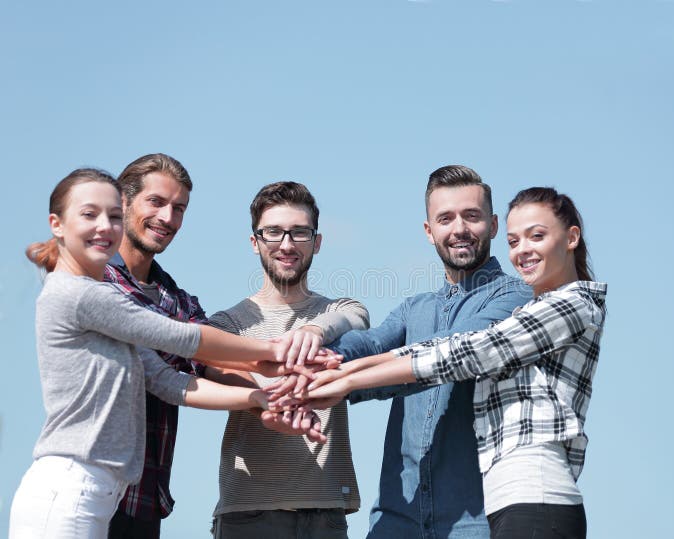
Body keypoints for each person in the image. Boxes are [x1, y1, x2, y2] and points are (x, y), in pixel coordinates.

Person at [9, 169, 329, 539]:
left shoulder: (154, 299)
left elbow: (167, 380)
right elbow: (182, 338)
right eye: (89, 214)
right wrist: (276, 352)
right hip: (70, 488)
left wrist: (260, 395)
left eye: (111, 216)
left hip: (110, 493)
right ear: (57, 224)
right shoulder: (87, 294)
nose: (105, 226)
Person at [303, 187, 608, 539]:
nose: (459, 228)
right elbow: (373, 345)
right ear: (428, 230)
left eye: (536, 236)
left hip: (517, 502)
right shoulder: (418, 308)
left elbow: (464, 351)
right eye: (445, 218)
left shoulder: (535, 301)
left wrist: (345, 380)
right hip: (456, 508)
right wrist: (317, 364)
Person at [208, 181, 370, 539]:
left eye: (299, 232)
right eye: (273, 232)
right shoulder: (226, 324)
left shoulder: (339, 311)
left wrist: (312, 332)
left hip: (326, 513)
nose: (286, 244)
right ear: (255, 242)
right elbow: (217, 371)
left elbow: (356, 319)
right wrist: (267, 406)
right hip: (248, 513)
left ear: (317, 241)